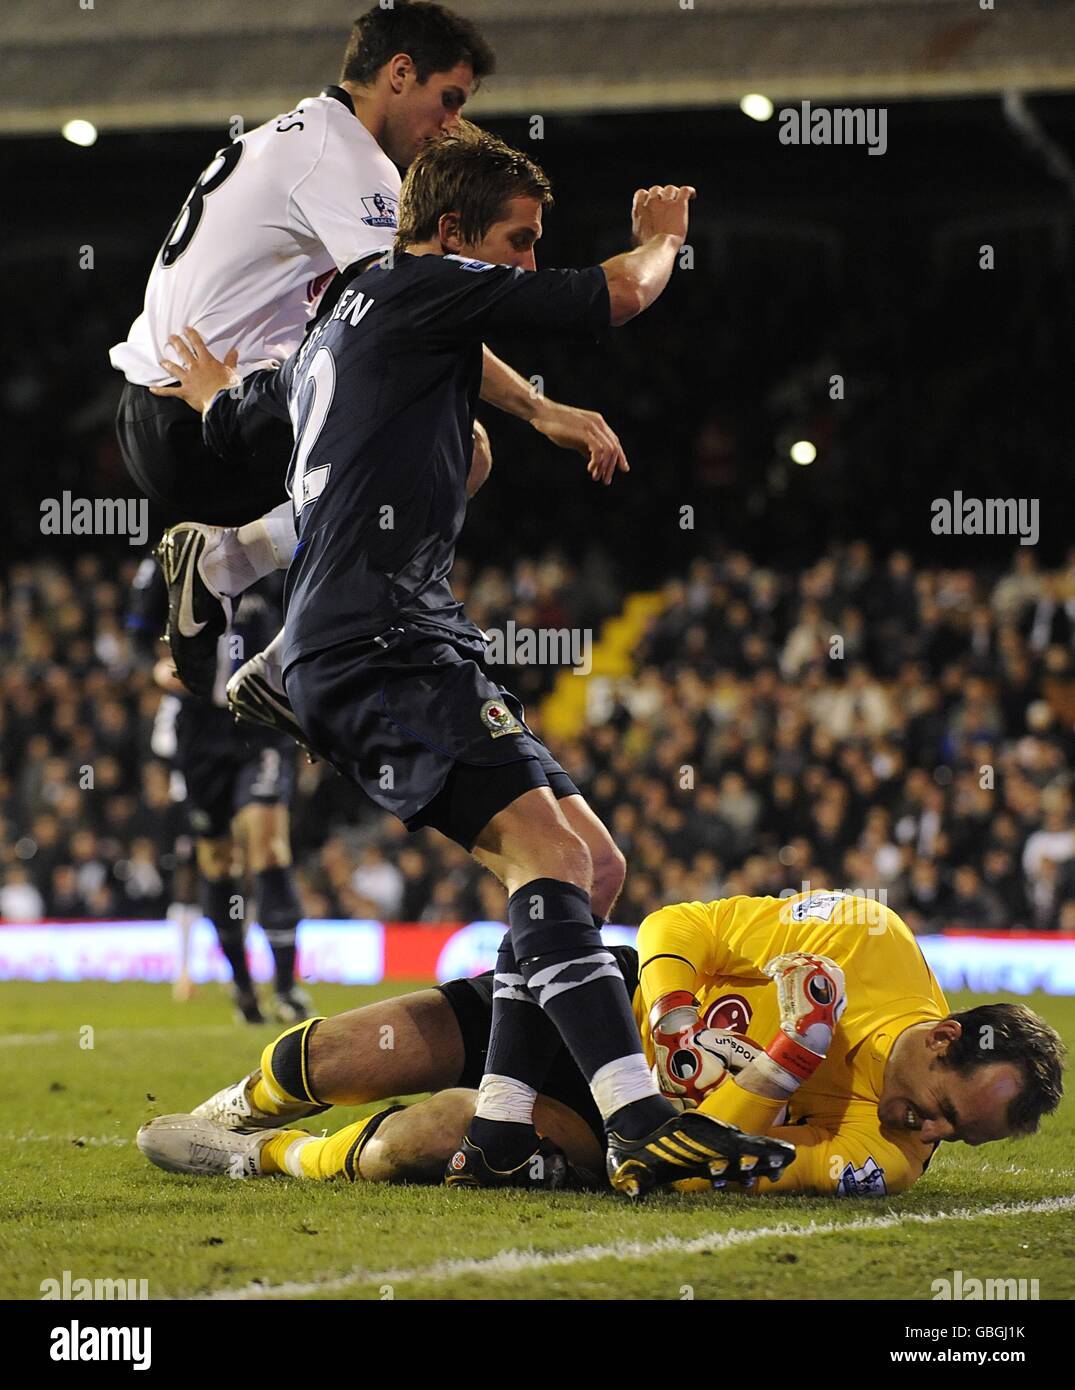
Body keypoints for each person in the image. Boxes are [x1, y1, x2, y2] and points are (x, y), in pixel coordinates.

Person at [138, 126, 795, 1199]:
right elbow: (621, 296)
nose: (527, 266)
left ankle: (497, 1128)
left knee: (592, 866)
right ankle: (639, 1117)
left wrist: (213, 389)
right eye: (518, 242)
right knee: (545, 851)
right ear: (451, 235)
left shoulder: (341, 321)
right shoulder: (423, 285)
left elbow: (236, 417)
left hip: (401, 635)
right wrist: (661, 240)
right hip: (379, 640)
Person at [109, 1, 626, 704]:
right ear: (399, 73)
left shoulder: (304, 136)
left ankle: (242, 590)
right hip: (202, 421)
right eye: (448, 100)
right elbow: (409, 321)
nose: (453, 123)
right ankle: (262, 617)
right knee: (456, 446)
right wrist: (537, 409)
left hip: (186, 408)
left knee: (430, 428)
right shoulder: (346, 158)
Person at [137, 890, 1065, 1195]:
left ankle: (262, 1157)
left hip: (635, 1134)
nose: (926, 1134)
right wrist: (666, 1010)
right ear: (942, 1036)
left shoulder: (886, 1159)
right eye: (942, 1112)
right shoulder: (867, 935)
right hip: (614, 1008)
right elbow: (680, 925)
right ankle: (238, 1107)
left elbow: (701, 1168)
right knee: (343, 1052)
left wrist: (783, 1062)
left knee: (435, 1135)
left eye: (954, 1139)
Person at [127, 559, 311, 1023]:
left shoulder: (271, 554)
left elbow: (304, 619)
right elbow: (138, 635)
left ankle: (287, 989)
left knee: (269, 847)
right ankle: (243, 987)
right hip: (200, 731)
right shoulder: (170, 562)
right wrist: (156, 668)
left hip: (260, 722)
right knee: (218, 861)